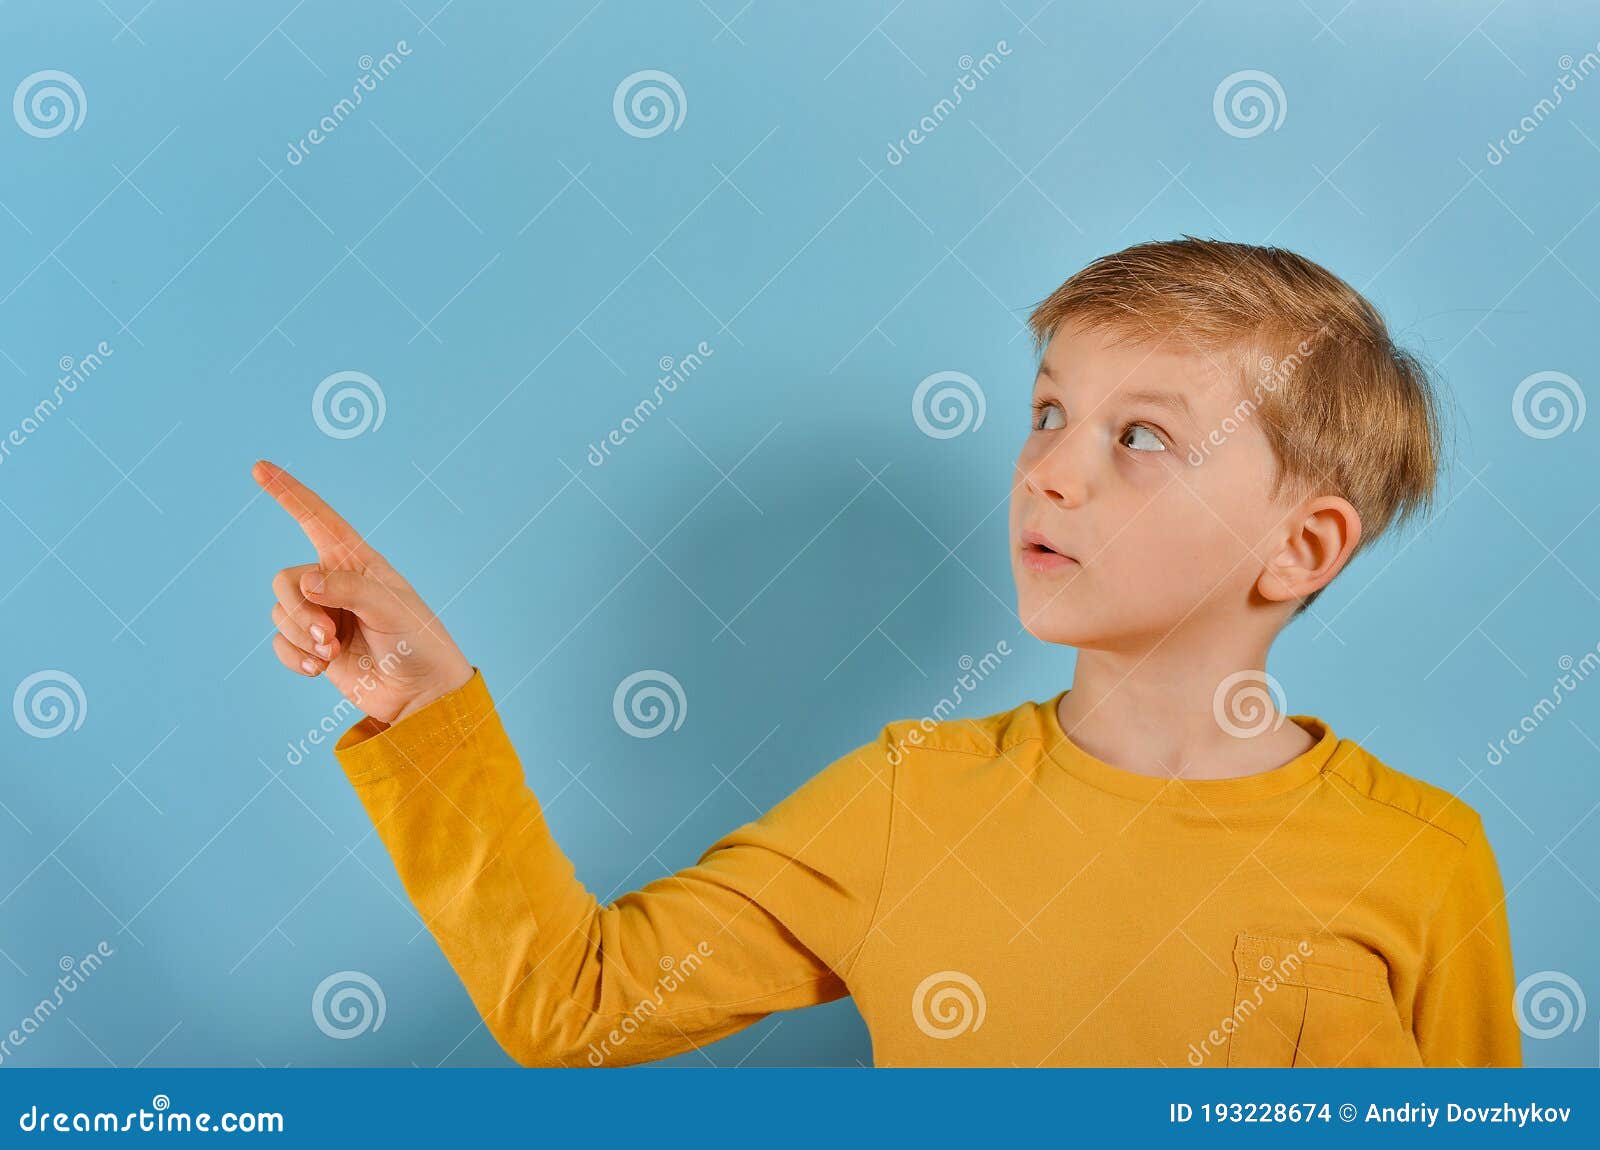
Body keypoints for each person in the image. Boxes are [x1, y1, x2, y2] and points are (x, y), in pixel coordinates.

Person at [255, 238, 1520, 1067]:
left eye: (1140, 438)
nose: (1049, 470)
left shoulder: (1423, 858)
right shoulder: (908, 802)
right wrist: (430, 710)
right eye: (1046, 413)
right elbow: (576, 1000)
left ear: (1300, 550)